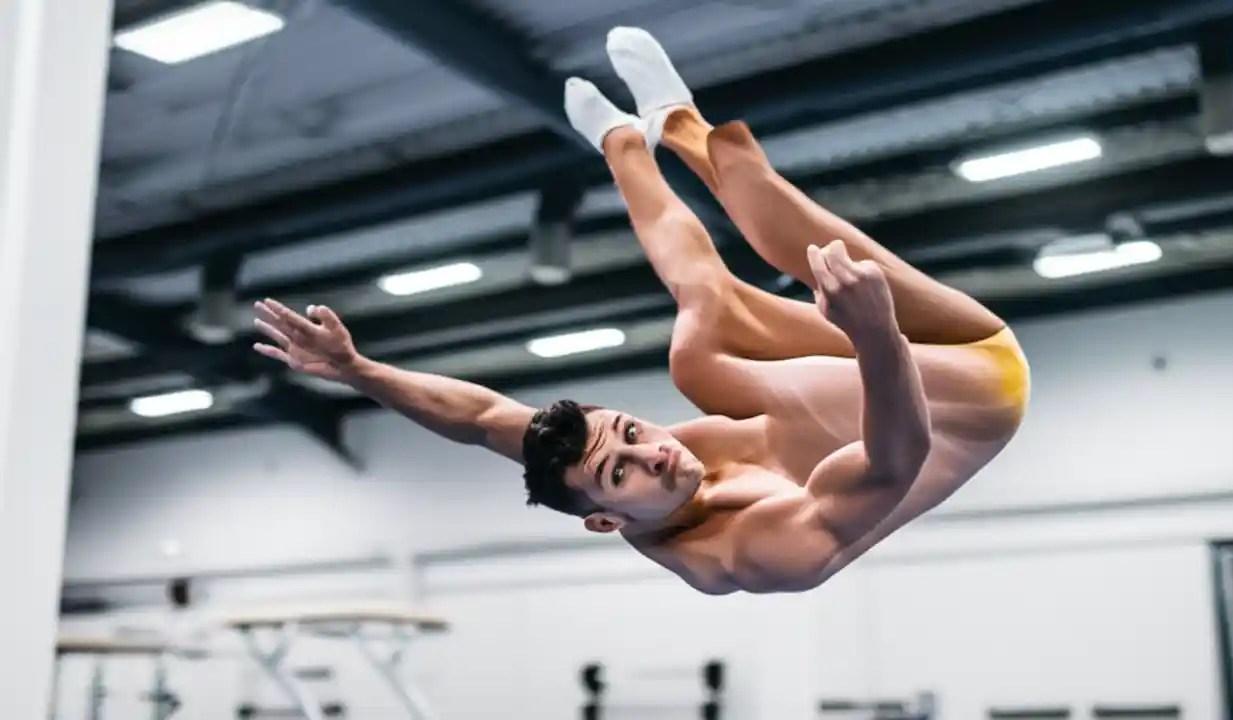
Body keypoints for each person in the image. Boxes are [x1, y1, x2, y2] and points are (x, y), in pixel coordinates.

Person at [252, 28, 1030, 595]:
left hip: (864, 385)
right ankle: (692, 140)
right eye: (619, 472)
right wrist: (874, 335)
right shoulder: (753, 550)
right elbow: (893, 461)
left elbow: (482, 418)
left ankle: (634, 137)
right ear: (605, 521)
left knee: (697, 342)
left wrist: (357, 369)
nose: (654, 452)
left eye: (630, 432)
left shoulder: (602, 461)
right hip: (973, 398)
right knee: (765, 230)